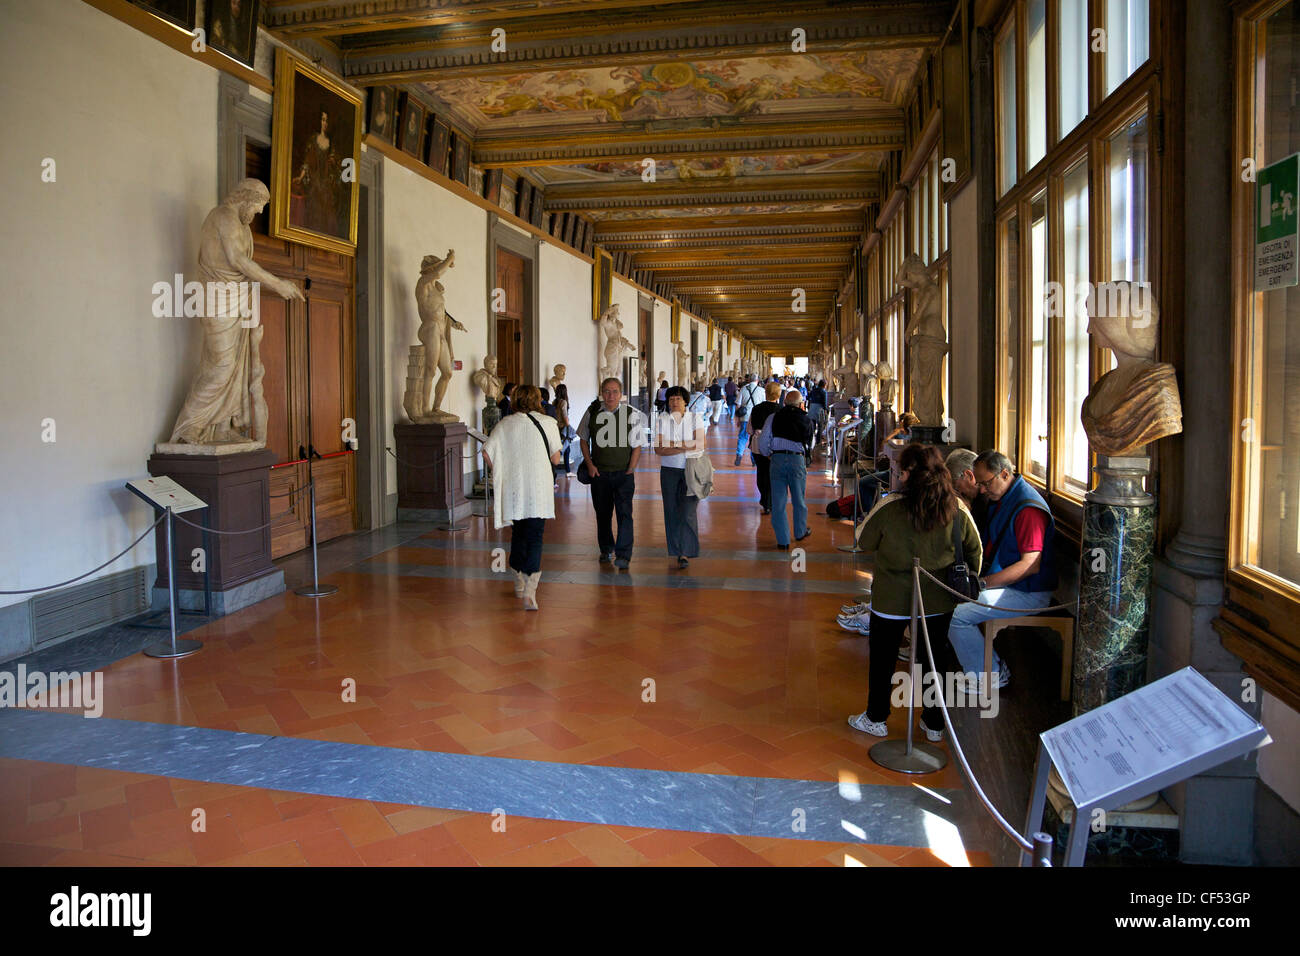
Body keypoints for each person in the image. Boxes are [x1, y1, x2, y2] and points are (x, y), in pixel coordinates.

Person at [847, 444, 983, 740]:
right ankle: (934, 723)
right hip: (937, 597)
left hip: (891, 597)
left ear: (907, 474)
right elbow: (975, 551)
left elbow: (864, 540)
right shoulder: (956, 507)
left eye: (901, 471)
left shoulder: (890, 505)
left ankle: (876, 717)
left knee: (883, 658)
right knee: (933, 659)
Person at [948, 450, 1058, 692]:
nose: (983, 490)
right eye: (980, 484)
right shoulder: (1006, 497)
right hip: (1009, 584)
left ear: (1005, 474)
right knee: (950, 601)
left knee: (957, 615)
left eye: (986, 483)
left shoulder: (1027, 509)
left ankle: (990, 675)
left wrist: (983, 583)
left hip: (1028, 592)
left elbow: (1030, 565)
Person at [482, 385, 563, 611]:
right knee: (536, 536)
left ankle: (518, 580)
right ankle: (530, 589)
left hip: (515, 489)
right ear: (538, 400)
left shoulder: (505, 424)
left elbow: (487, 452)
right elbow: (556, 459)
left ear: (515, 399)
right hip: (539, 489)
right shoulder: (548, 423)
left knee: (518, 534)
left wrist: (503, 469)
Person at [577, 377, 645, 569]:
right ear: (601, 392)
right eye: (607, 391)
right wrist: (590, 465)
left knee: (625, 514)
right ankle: (606, 548)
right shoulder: (592, 412)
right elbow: (583, 440)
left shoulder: (631, 414)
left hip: (623, 474)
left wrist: (631, 469)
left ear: (621, 394)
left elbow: (637, 445)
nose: (610, 396)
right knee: (603, 514)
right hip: (600, 474)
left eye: (615, 392)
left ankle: (624, 554)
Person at [654, 385, 708, 569]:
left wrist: (673, 444)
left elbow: (700, 444)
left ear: (685, 401)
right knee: (671, 511)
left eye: (678, 399)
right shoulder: (662, 419)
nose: (674, 402)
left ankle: (686, 551)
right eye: (671, 399)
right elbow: (658, 449)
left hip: (690, 470)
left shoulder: (695, 419)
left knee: (688, 512)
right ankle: (677, 550)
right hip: (668, 471)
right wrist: (685, 445)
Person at [766, 390, 815, 550]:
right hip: (796, 459)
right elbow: (811, 443)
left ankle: (783, 540)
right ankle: (800, 532)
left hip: (778, 459)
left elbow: (763, 440)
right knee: (799, 499)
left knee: (778, 502)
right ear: (801, 404)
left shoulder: (774, 417)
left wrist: (769, 454)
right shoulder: (806, 419)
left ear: (784, 403)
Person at [748, 382, 783, 515]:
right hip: (775, 445)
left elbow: (749, 429)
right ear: (779, 394)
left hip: (758, 446)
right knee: (774, 473)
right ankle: (771, 501)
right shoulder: (781, 409)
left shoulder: (757, 408)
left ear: (765, 393)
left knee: (762, 472)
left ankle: (765, 500)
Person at [733, 373, 763, 466]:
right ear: (757, 380)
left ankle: (739, 455)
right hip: (756, 418)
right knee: (755, 438)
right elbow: (764, 405)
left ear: (749, 380)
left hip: (745, 417)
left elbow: (737, 405)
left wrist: (737, 418)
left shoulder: (743, 389)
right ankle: (754, 459)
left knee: (742, 437)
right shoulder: (761, 390)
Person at [553, 383, 574, 479]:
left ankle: (565, 470)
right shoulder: (563, 402)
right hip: (563, 428)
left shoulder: (554, 402)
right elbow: (565, 415)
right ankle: (568, 471)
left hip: (556, 427)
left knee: (562, 448)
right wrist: (569, 426)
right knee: (566, 448)